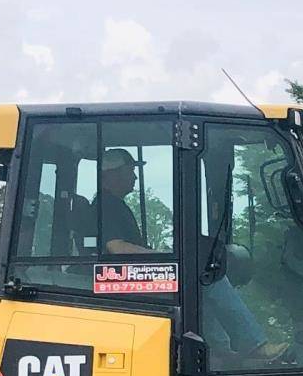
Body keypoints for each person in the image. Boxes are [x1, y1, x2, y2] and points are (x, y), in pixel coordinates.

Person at [97, 147, 284, 363]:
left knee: (198, 281)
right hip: (119, 280)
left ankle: (220, 349)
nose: (135, 177)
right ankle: (253, 344)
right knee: (210, 280)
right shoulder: (107, 206)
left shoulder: (114, 205)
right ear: (112, 174)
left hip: (123, 276)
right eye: (130, 171)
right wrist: (164, 256)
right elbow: (116, 248)